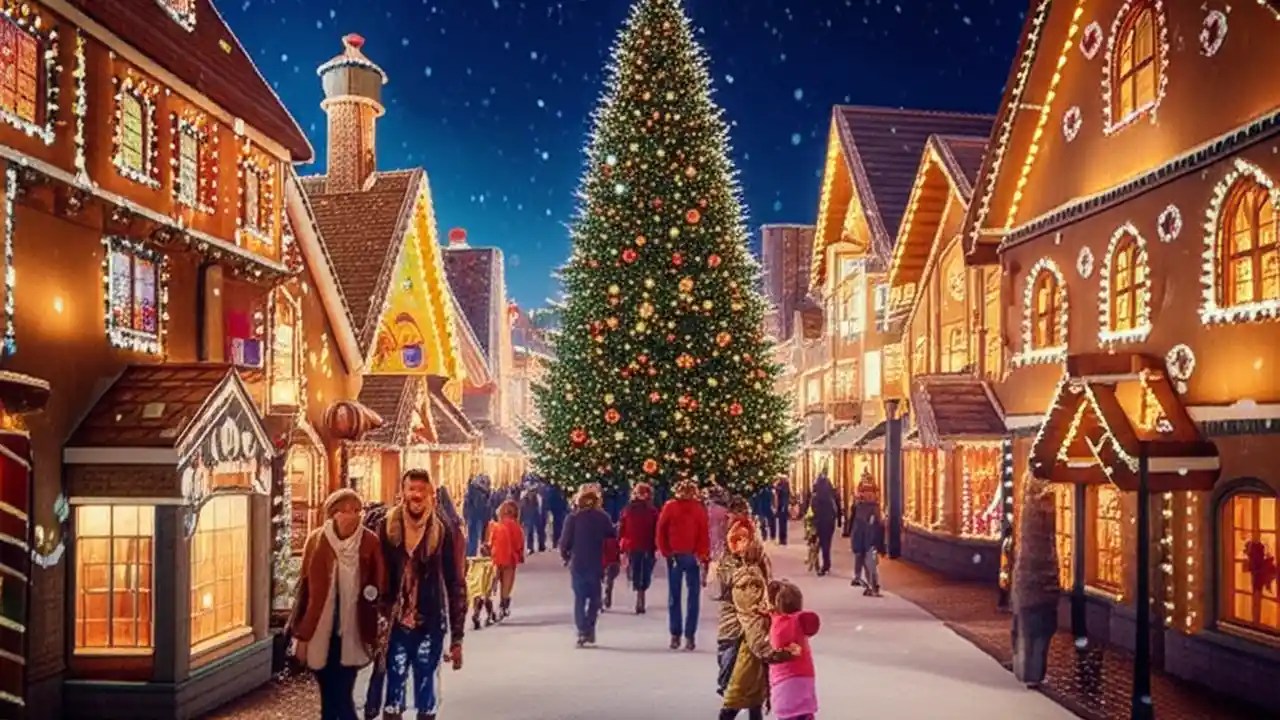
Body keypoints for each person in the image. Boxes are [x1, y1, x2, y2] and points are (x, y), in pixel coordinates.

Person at [370, 469, 467, 720]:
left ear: (430, 495)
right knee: (394, 682)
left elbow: (455, 581)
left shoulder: (442, 530)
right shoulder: (386, 528)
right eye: (411, 489)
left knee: (426, 682)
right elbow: (373, 574)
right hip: (395, 622)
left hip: (430, 620)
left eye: (422, 490)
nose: (416, 495)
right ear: (402, 492)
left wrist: (457, 637)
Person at [289, 489, 386, 720]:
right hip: (320, 632)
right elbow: (304, 588)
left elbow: (380, 584)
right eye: (345, 511)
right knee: (328, 698)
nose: (352, 516)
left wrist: (375, 611)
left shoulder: (370, 542)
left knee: (343, 695)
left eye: (356, 510)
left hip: (353, 631)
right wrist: (299, 631)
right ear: (333, 514)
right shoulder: (317, 540)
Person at [716, 522, 796, 720]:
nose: (739, 543)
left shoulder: (741, 568)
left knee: (753, 700)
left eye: (744, 538)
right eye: (736, 538)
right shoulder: (747, 578)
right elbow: (751, 622)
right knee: (736, 700)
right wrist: (781, 654)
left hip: (735, 638)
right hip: (743, 644)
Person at [560, 483, 617, 647]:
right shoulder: (603, 517)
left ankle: (582, 630)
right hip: (597, 562)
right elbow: (612, 537)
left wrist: (566, 556)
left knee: (579, 598)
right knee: (595, 599)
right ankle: (589, 627)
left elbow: (565, 542)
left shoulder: (573, 518)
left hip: (578, 563)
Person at [657, 478, 710, 651]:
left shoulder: (676, 507)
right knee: (685, 597)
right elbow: (662, 531)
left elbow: (661, 531)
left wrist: (702, 555)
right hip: (681, 555)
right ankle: (684, 635)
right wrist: (702, 556)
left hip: (682, 555)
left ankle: (681, 634)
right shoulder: (690, 508)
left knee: (679, 596)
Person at [767, 580, 820, 720]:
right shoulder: (799, 621)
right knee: (805, 714)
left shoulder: (777, 624)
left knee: (789, 716)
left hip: (784, 681)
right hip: (805, 676)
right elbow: (812, 621)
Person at [619, 482, 659, 614]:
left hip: (633, 544)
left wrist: (621, 542)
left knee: (635, 568)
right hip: (648, 545)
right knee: (645, 569)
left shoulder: (628, 509)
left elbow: (622, 528)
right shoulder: (652, 510)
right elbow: (656, 529)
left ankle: (638, 591)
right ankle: (641, 593)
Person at [488, 499, 525, 619]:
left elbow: (489, 542)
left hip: (495, 558)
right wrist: (519, 555)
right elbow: (519, 543)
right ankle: (503, 607)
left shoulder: (495, 525)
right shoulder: (516, 527)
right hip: (510, 559)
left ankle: (486, 604)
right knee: (506, 586)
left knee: (491, 583)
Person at [848, 472, 881, 589]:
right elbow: (854, 522)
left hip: (868, 538)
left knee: (868, 561)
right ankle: (864, 580)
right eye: (864, 492)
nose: (866, 494)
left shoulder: (868, 507)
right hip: (862, 537)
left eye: (869, 492)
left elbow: (876, 525)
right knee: (863, 558)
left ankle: (872, 583)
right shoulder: (860, 506)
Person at [808, 472, 838, 576]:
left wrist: (812, 521)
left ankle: (820, 564)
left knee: (818, 543)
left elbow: (813, 510)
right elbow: (836, 510)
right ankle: (826, 564)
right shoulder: (831, 495)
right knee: (826, 544)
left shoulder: (816, 497)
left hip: (820, 522)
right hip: (829, 522)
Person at [462, 474, 491, 557]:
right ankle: (471, 557)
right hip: (477, 518)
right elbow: (479, 506)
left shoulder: (473, 492)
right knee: (474, 539)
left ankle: (472, 556)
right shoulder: (476, 493)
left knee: (475, 539)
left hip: (476, 518)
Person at [542, 482, 569, 549]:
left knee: (558, 528)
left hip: (558, 512)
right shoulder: (553, 491)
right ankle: (556, 542)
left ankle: (557, 542)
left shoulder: (556, 491)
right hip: (557, 512)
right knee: (557, 528)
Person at [520, 480, 542, 554]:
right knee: (530, 531)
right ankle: (530, 547)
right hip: (528, 516)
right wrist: (521, 519)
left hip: (535, 514)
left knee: (539, 531)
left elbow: (539, 506)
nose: (532, 492)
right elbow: (522, 507)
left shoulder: (537, 496)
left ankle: (541, 546)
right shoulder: (524, 496)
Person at [602, 525, 621, 610]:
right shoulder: (616, 542)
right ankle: (607, 599)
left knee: (602, 583)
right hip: (613, 564)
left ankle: (602, 600)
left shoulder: (603, 541)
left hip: (604, 564)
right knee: (609, 583)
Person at [774, 475, 792, 545]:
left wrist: (783, 507)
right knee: (783, 524)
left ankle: (782, 540)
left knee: (782, 524)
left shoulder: (782, 486)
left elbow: (782, 496)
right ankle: (783, 539)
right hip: (783, 507)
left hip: (782, 507)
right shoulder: (785, 485)